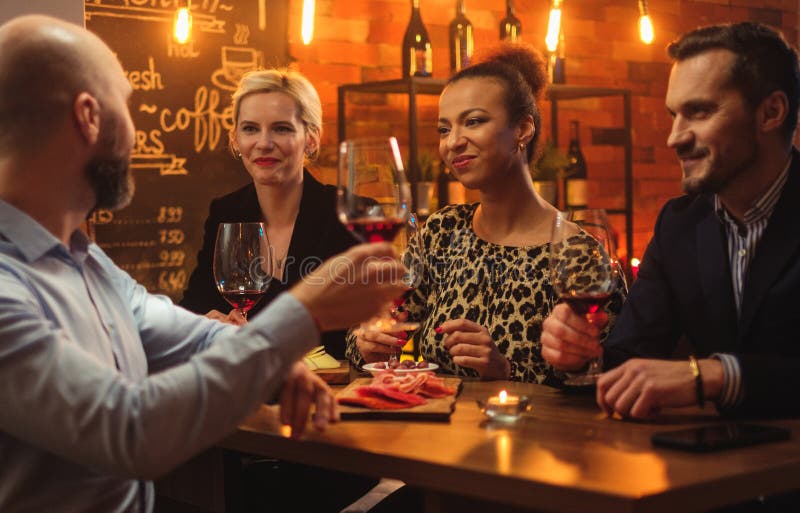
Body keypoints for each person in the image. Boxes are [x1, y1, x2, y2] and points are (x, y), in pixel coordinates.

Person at [0, 14, 407, 513]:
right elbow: (131, 432)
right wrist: (302, 315)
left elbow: (191, 332)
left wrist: (274, 360)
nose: (135, 131)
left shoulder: (86, 263)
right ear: (88, 116)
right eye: (126, 107)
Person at [541, 22, 800, 421]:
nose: (674, 137)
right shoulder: (679, 223)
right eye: (673, 115)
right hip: (711, 475)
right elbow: (629, 357)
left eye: (698, 112)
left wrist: (716, 375)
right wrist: (579, 357)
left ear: (771, 112)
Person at [346, 43, 624, 383]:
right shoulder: (442, 232)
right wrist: (367, 342)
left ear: (523, 128)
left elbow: (604, 377)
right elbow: (383, 324)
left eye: (473, 122)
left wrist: (503, 371)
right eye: (444, 129)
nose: (453, 142)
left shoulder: (579, 252)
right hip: (437, 433)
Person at [180, 68, 356, 359]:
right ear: (235, 139)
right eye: (250, 129)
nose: (263, 143)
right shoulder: (226, 213)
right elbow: (192, 309)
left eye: (281, 128)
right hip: (247, 394)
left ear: (311, 138)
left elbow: (363, 330)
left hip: (333, 392)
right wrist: (208, 325)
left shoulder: (348, 215)